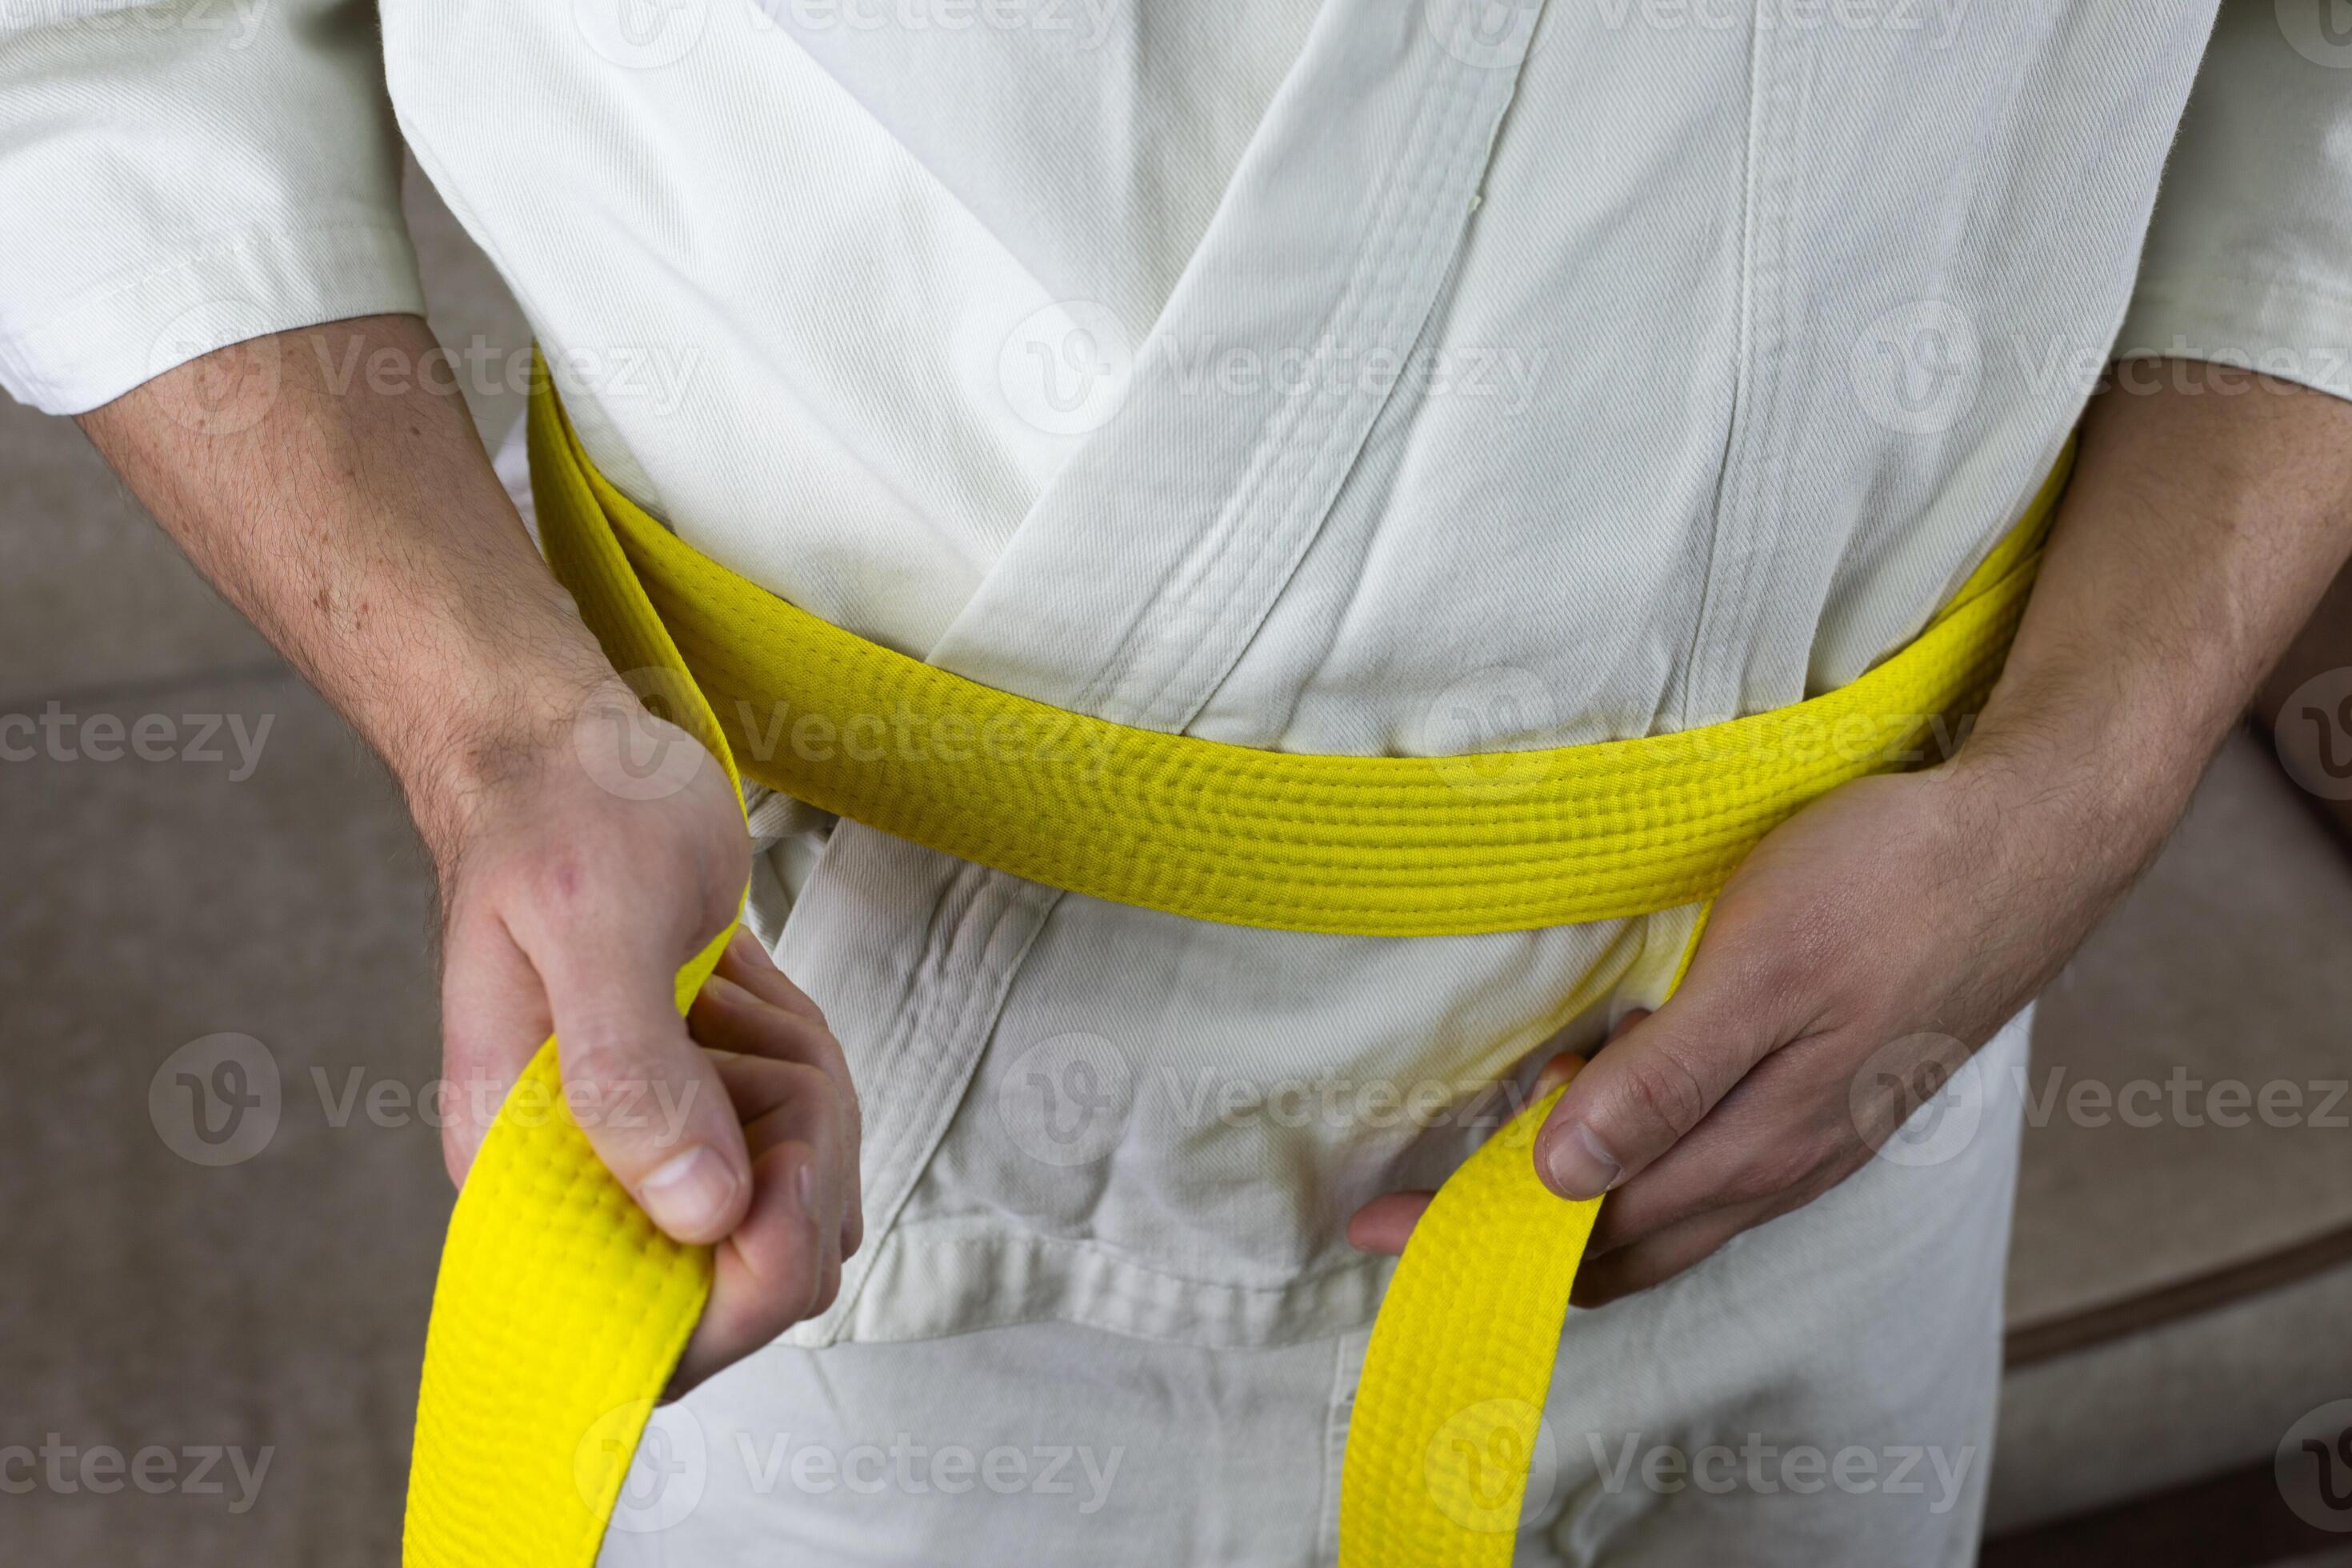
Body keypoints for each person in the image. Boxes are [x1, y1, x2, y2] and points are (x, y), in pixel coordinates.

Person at [7, 1, 2351, 1560]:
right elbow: (116, 51)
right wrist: (496, 728)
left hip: (1829, 1092)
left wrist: (2084, 774)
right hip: (825, 1144)